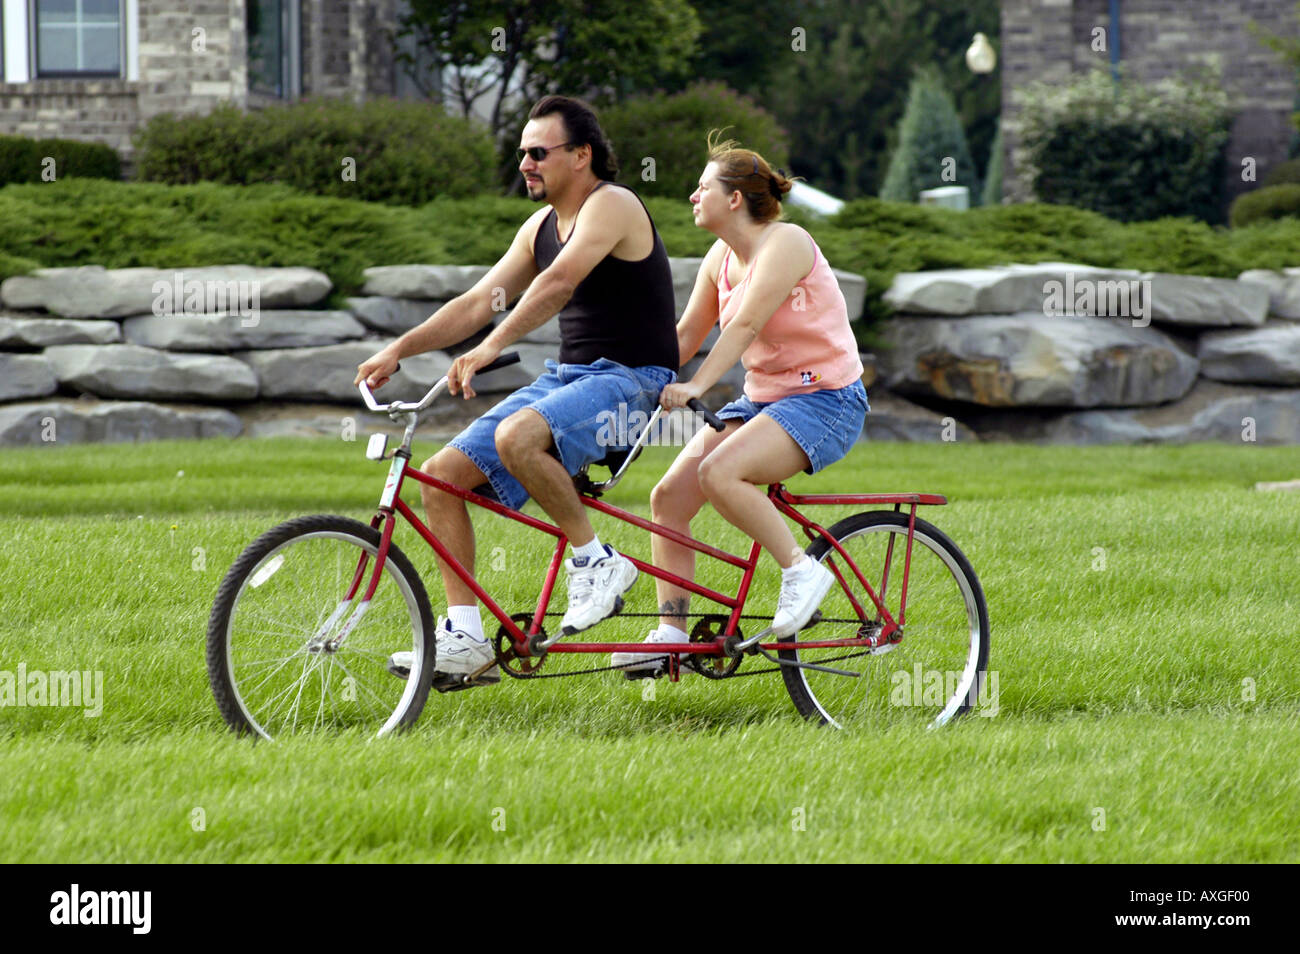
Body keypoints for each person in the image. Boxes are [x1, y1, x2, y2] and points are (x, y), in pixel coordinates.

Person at [355, 95, 678, 686]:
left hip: (633, 381)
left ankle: (597, 562)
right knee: (441, 478)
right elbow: (479, 300)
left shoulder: (614, 205)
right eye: (521, 153)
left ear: (581, 155)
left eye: (537, 152)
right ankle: (465, 639)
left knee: (517, 437)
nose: (525, 164)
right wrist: (399, 349)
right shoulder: (539, 226)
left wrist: (486, 347)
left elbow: (557, 284)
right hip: (571, 379)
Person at [612, 134, 868, 675]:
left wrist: (698, 387)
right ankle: (670, 634)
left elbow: (747, 322)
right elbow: (683, 339)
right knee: (668, 498)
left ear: (734, 199)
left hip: (826, 401)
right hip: (766, 401)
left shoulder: (788, 242)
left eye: (702, 187)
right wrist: (619, 377)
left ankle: (801, 571)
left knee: (720, 473)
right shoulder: (719, 258)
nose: (691, 196)